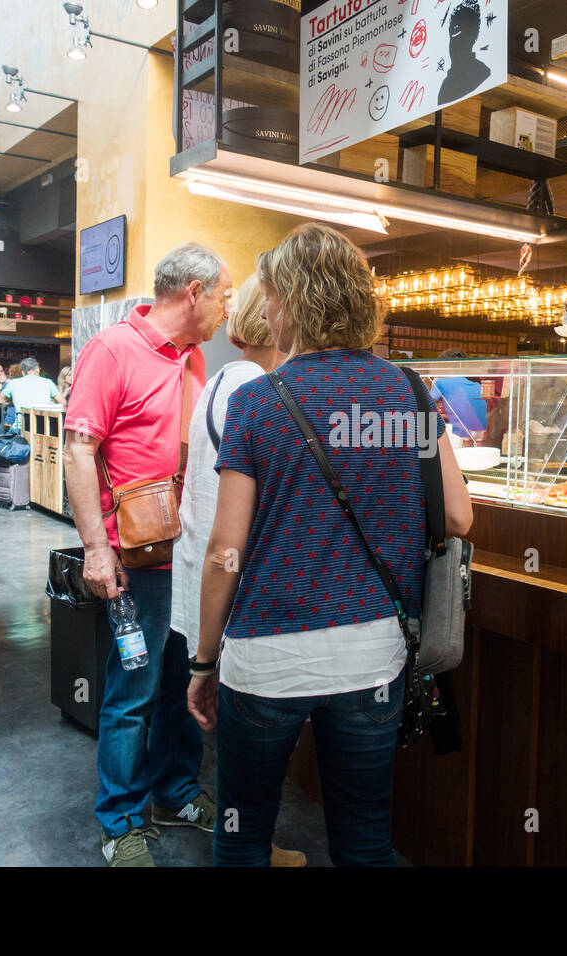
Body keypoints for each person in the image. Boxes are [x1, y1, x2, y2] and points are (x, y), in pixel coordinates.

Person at [187, 223, 473, 867]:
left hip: (265, 656)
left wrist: (204, 663)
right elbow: (459, 516)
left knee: (241, 836)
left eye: (275, 298)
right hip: (372, 657)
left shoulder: (259, 403)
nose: (269, 311)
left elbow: (224, 550)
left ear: (296, 300)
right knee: (366, 838)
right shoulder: (408, 391)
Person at [63, 241, 233, 868]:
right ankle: (120, 821)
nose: (227, 306)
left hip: (188, 558)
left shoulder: (191, 359)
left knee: (183, 685)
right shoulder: (111, 350)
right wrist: (95, 547)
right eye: (224, 293)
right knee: (132, 693)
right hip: (135, 561)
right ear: (194, 291)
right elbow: (80, 449)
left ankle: (175, 792)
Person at [168, 274, 303, 868]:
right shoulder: (255, 387)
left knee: (225, 734)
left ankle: (241, 837)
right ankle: (251, 845)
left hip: (199, 569)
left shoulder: (220, 377)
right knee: (238, 741)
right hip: (230, 584)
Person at [438, 0, 492, 106]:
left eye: (461, 32)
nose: (456, 40)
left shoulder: (481, 73)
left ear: (474, 36)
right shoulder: (447, 83)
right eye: (453, 28)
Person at [430, 348, 488, 442]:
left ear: (446, 367)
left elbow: (429, 408)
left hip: (459, 437)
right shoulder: (477, 383)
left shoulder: (441, 382)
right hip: (480, 437)